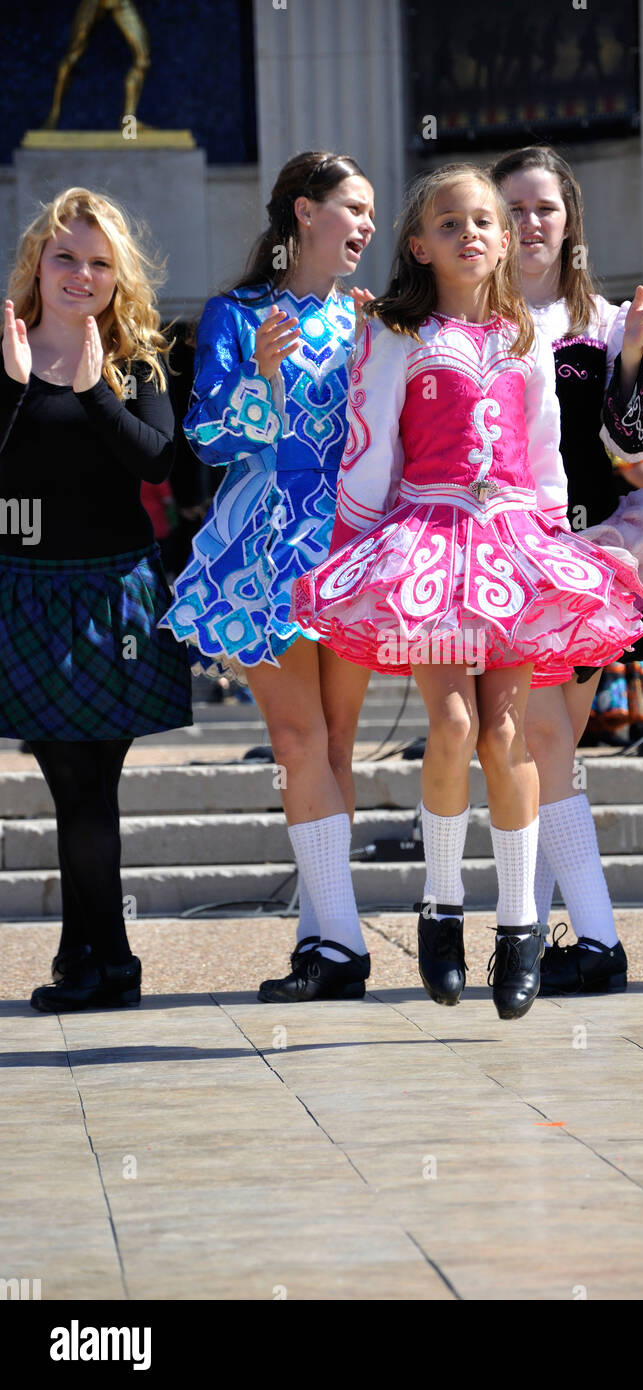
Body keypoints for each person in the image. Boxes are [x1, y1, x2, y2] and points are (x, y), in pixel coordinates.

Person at [291, 163, 643, 1019]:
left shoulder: (523, 336)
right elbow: (371, 449)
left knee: (506, 731)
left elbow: (543, 454)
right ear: (419, 244)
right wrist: (357, 548)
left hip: (514, 549)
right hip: (430, 546)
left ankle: (519, 923)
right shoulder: (394, 334)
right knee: (451, 723)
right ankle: (441, 903)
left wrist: (554, 556)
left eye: (484, 221)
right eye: (449, 223)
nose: (472, 235)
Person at [160, 151, 377, 1002]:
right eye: (350, 209)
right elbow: (209, 440)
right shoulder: (236, 313)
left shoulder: (372, 317)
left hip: (353, 546)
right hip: (266, 547)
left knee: (333, 743)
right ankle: (346, 943)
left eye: (368, 212)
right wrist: (262, 371)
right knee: (295, 742)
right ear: (301, 212)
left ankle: (320, 936)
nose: (364, 225)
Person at [491, 145, 643, 995]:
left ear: (568, 221)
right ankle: (533, 941)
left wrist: (634, 360)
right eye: (513, 210)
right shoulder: (472, 321)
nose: (530, 225)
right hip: (497, 554)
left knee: (540, 741)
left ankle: (590, 941)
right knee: (542, 746)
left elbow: (629, 448)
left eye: (544, 209)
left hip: (586, 552)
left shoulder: (601, 322)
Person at [0, 187, 192, 1012]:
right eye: (66, 257)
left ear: (120, 278)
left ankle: (105, 962)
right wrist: (15, 386)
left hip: (112, 592)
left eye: (99, 263)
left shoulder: (138, 360)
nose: (81, 274)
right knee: (70, 783)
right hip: (25, 594)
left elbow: (157, 464)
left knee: (87, 786)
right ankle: (89, 956)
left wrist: (91, 390)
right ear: (37, 263)